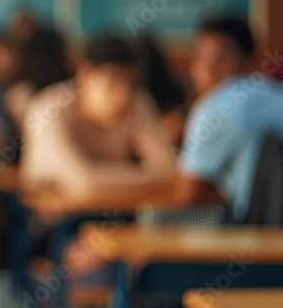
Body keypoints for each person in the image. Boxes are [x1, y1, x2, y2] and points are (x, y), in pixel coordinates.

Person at [19, 33, 177, 199]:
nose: (123, 96)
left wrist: (100, 179)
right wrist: (147, 176)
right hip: (52, 220)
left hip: (114, 211)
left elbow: (169, 169)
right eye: (112, 83)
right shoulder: (47, 109)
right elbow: (84, 184)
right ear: (85, 75)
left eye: (131, 84)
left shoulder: (135, 100)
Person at [176, 15, 283, 221]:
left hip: (258, 236)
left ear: (250, 60)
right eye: (200, 57)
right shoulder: (275, 93)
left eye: (220, 58)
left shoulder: (217, 106)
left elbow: (186, 198)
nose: (207, 69)